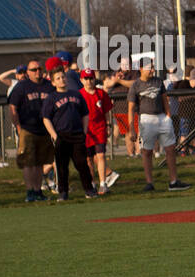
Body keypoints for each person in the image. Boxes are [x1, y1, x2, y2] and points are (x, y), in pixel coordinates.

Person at [127, 60, 192, 192]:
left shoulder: (158, 81)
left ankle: (173, 181)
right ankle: (149, 183)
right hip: (146, 119)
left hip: (162, 117)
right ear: (140, 69)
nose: (152, 70)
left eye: (152, 67)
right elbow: (131, 108)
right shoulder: (136, 85)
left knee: (170, 149)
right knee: (147, 151)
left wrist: (167, 116)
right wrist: (132, 129)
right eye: (148, 68)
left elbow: (165, 100)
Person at [40, 68, 96, 201]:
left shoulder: (76, 94)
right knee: (62, 166)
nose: (62, 80)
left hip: (77, 134)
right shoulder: (51, 98)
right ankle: (63, 192)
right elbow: (46, 118)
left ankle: (89, 189)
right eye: (58, 78)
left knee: (81, 163)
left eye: (63, 77)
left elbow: (85, 113)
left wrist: (84, 130)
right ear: (53, 83)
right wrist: (55, 136)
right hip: (61, 135)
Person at [7, 60, 55, 202]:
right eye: (33, 70)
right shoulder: (22, 87)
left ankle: (38, 190)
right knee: (28, 162)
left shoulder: (49, 86)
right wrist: (18, 126)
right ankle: (30, 192)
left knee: (40, 162)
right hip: (27, 129)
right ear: (28, 72)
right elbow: (13, 107)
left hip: (44, 130)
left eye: (39, 69)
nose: (37, 72)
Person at [80, 69, 120, 195]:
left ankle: (103, 183)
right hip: (86, 130)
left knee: (101, 155)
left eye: (91, 78)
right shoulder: (79, 94)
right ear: (81, 80)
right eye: (86, 79)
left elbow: (107, 111)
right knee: (89, 159)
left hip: (99, 128)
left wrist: (108, 125)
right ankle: (92, 184)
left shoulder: (101, 94)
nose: (89, 81)